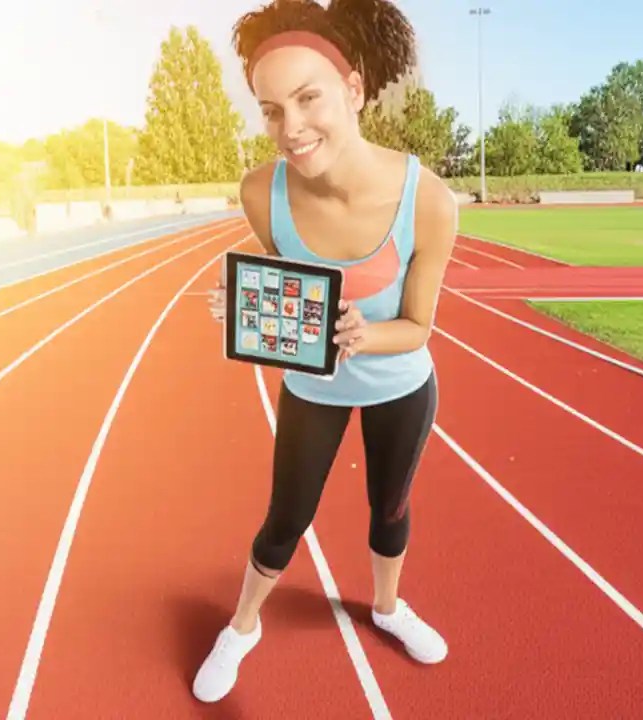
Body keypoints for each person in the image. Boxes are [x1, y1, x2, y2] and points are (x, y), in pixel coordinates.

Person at [193, 0, 459, 704]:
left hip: (401, 383)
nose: (291, 128)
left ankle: (388, 609)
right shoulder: (261, 192)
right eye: (271, 109)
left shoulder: (428, 200)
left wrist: (367, 337)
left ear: (355, 90)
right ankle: (243, 626)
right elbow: (295, 296)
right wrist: (246, 308)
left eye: (308, 98)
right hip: (316, 390)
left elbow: (420, 326)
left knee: (390, 510)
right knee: (285, 518)